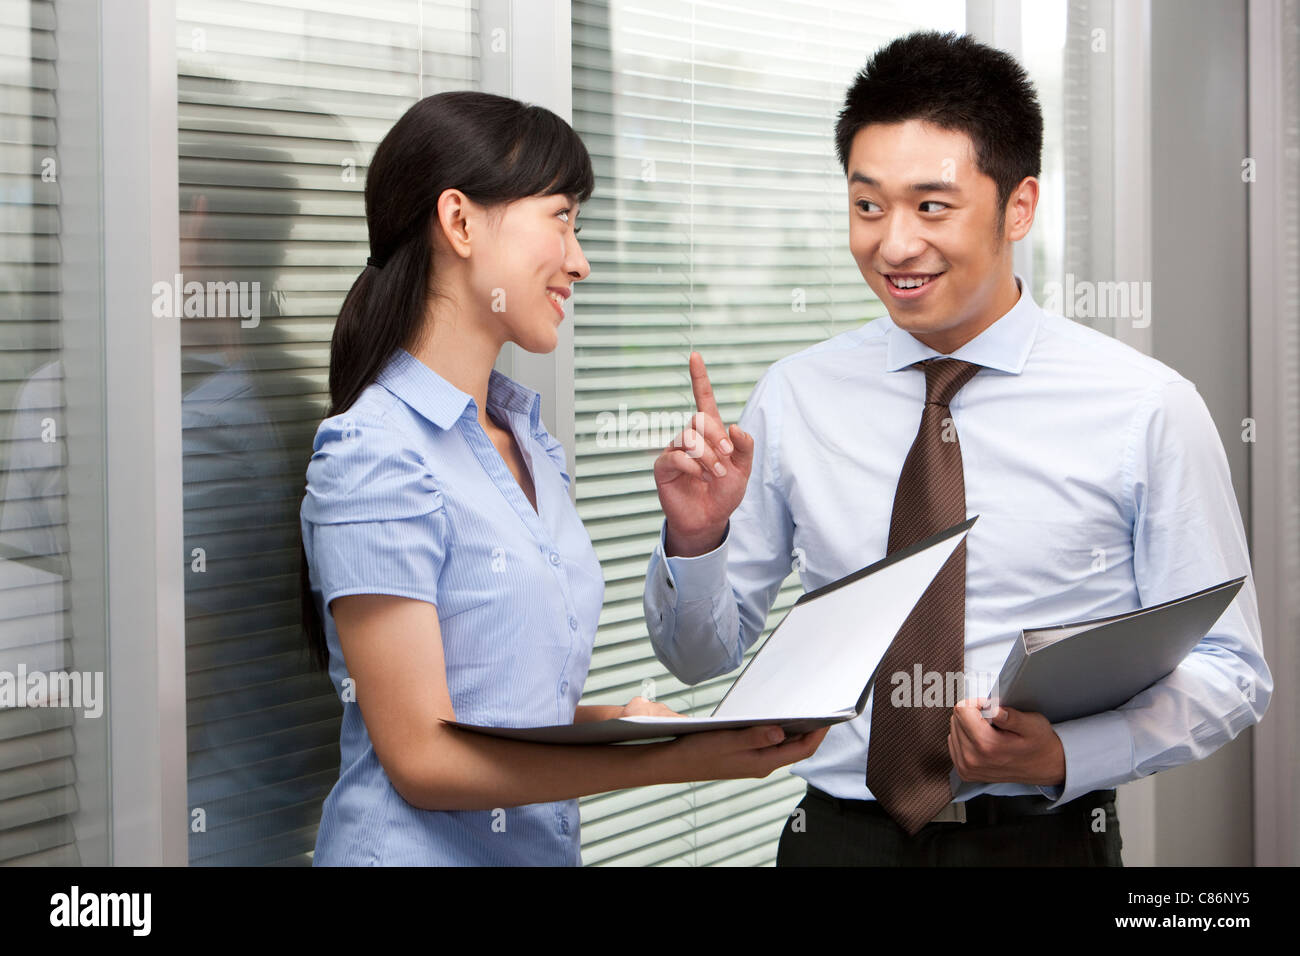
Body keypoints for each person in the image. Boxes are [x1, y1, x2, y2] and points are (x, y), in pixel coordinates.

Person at [643, 31, 1272, 866]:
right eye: (868, 206)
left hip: (1045, 842)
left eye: (931, 206)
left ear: (1019, 205)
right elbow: (698, 658)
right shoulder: (797, 395)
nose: (894, 244)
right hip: (837, 840)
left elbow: (1233, 672)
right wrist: (696, 540)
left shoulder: (1145, 407)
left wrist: (1062, 757)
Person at [298, 91, 828, 866]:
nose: (579, 259)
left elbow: (496, 712)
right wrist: (675, 763)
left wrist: (623, 720)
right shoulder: (374, 451)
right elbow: (423, 757)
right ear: (460, 221)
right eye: (561, 217)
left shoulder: (526, 443)